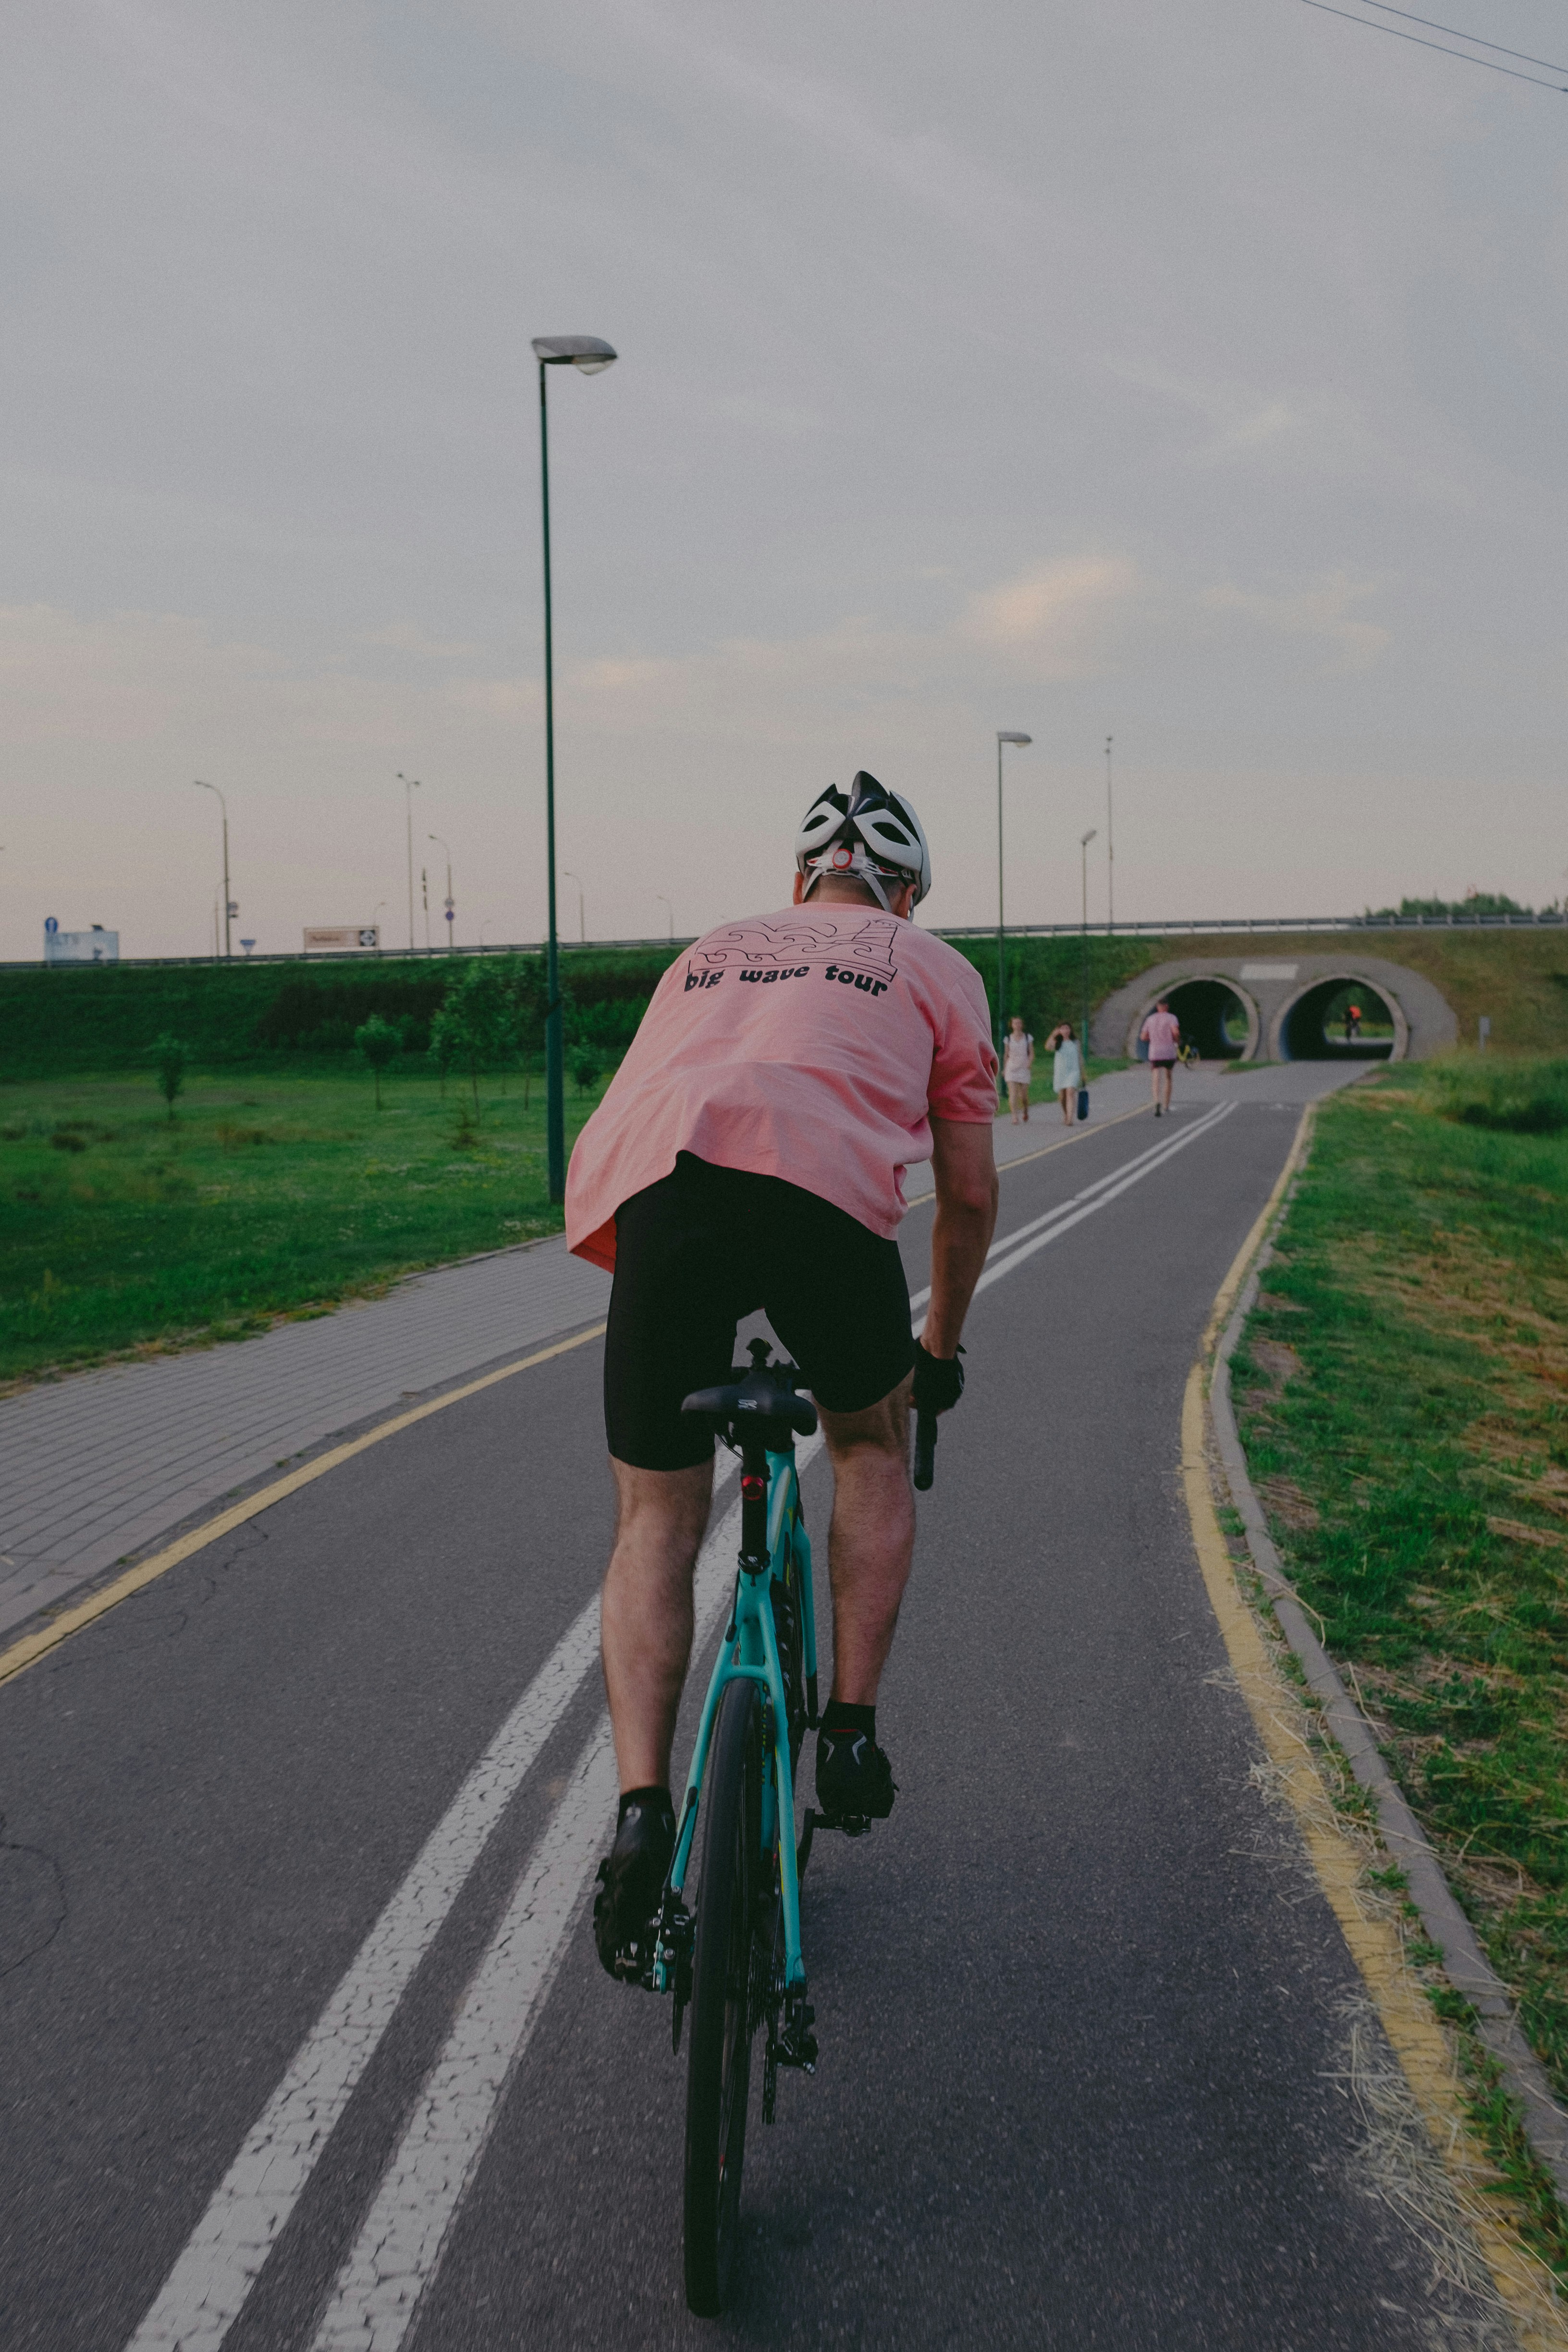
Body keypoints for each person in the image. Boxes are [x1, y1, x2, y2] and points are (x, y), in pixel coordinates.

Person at [566, 772, 1001, 1982]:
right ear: (903, 892)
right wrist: (938, 1352)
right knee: (865, 1443)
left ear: (798, 884)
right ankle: (851, 1730)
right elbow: (966, 1195)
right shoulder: (931, 965)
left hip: (661, 1198)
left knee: (657, 1512)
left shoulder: (710, 950)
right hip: (816, 1200)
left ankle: (644, 1804)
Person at [1140, 998, 1181, 1117]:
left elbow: (1143, 1037)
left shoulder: (1150, 1019)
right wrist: (1177, 1041)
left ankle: (1157, 1101)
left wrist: (1152, 1038)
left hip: (1155, 1052)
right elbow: (1176, 1033)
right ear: (1167, 1006)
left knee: (1156, 1077)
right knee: (1168, 1077)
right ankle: (1166, 1105)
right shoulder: (1172, 1018)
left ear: (1158, 1007)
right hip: (1169, 1051)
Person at [1045, 1022, 1081, 1125]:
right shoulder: (1057, 1042)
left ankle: (1070, 1118)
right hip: (1061, 1072)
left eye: (1067, 1028)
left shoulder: (1075, 1042)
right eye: (1063, 1029)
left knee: (1070, 1092)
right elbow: (1048, 1047)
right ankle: (1065, 1113)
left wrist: (1083, 1073)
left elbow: (1080, 1057)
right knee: (1062, 1097)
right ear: (1059, 1030)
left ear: (1070, 1030)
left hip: (1073, 1071)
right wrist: (1053, 1034)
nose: (1066, 1031)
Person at [1002, 1014, 1034, 1123]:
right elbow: (1006, 1055)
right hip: (1012, 1068)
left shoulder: (1027, 1038)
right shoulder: (1008, 1039)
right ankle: (1015, 1116)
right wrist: (1004, 1068)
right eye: (1015, 1023)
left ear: (1022, 1025)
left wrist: (1029, 1063)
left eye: (1019, 1023)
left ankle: (1025, 1110)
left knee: (1024, 1096)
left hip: (1024, 1067)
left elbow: (1032, 1053)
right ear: (1012, 1025)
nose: (1017, 1025)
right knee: (1013, 1093)